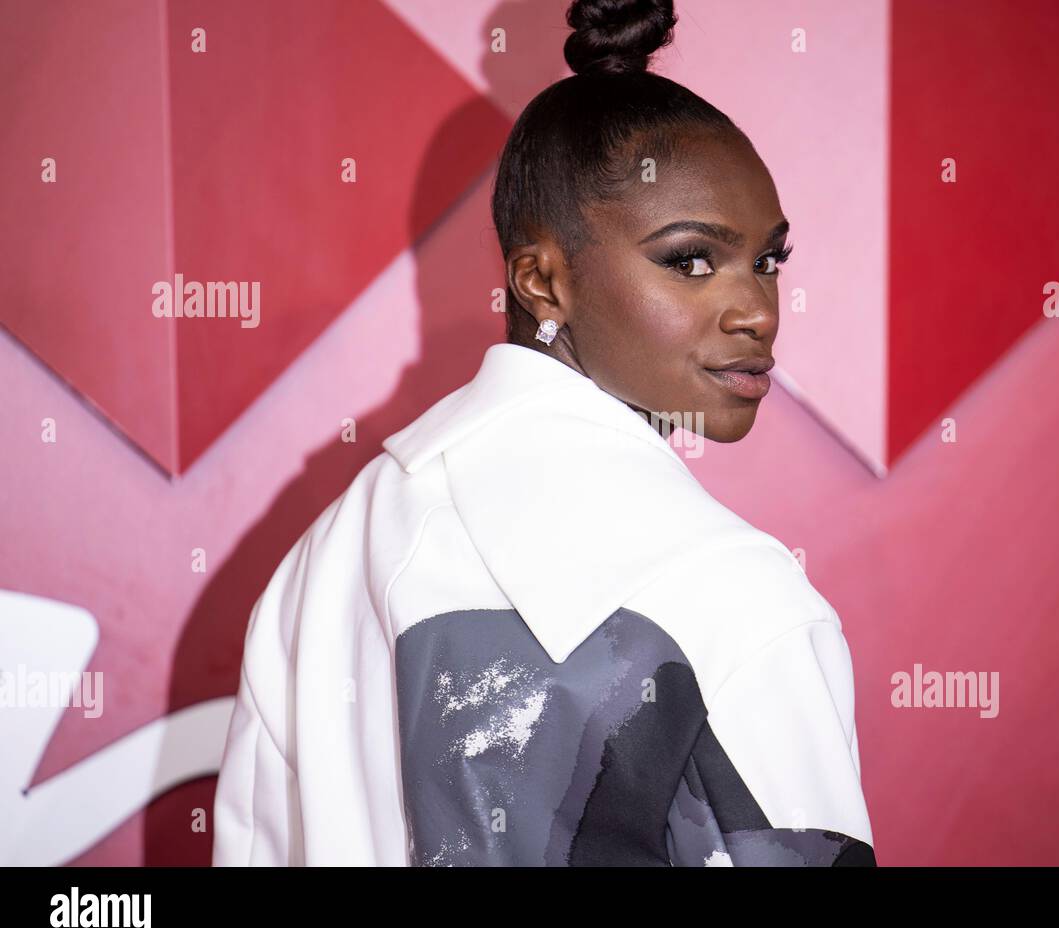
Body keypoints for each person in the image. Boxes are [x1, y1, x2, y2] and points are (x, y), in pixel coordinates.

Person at [212, 0, 876, 867]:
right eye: (690, 259)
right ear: (541, 282)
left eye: (768, 260)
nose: (755, 308)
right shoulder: (738, 597)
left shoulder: (326, 560)